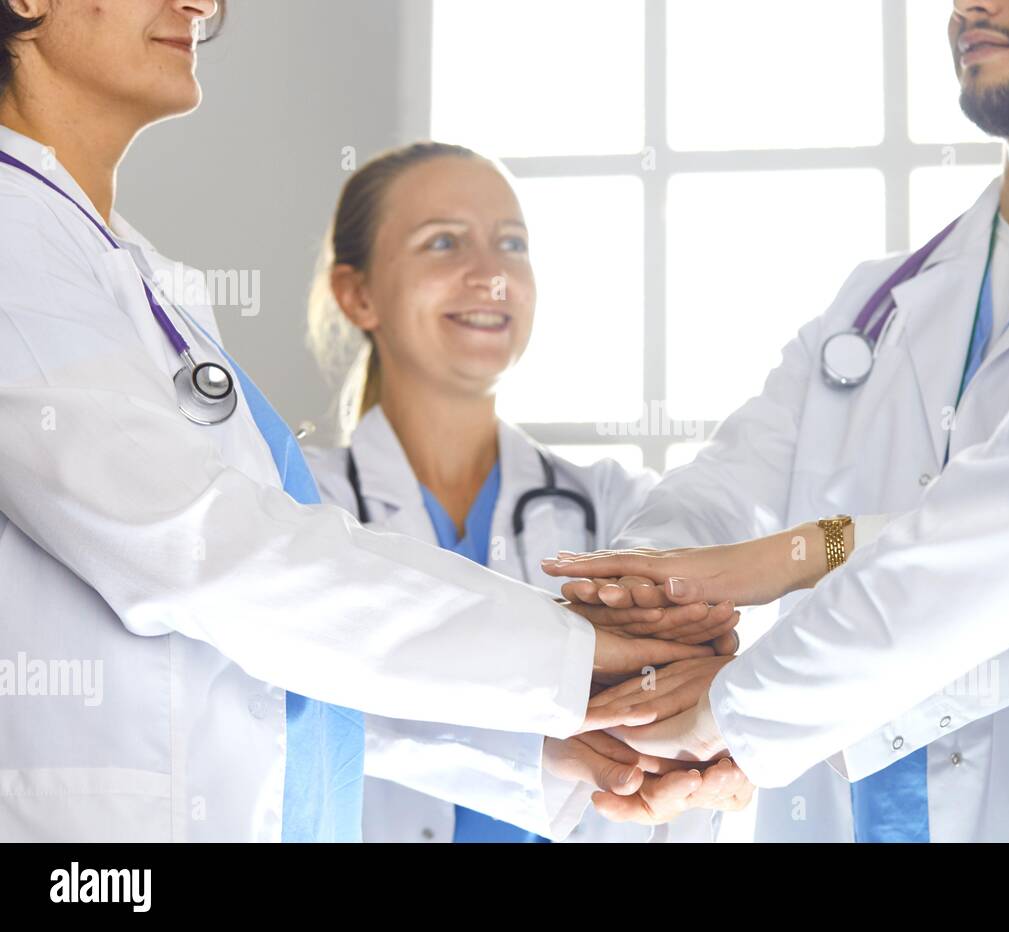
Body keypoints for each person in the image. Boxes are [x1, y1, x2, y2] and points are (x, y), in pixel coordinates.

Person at [550, 0, 1009, 841]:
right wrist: (645, 605)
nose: (970, 5)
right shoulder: (873, 307)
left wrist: (743, 686)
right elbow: (723, 491)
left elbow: (1007, 547)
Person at [0, 0, 738, 841]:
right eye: (441, 244)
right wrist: (575, 651)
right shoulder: (14, 240)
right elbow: (209, 557)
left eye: (512, 245)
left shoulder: (109, 260)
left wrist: (555, 748)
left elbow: (261, 672)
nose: (204, 5)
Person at [301, 141, 745, 842]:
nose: (491, 275)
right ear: (358, 295)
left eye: (512, 244)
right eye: (442, 242)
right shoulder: (298, 509)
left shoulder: (618, 510)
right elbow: (284, 709)